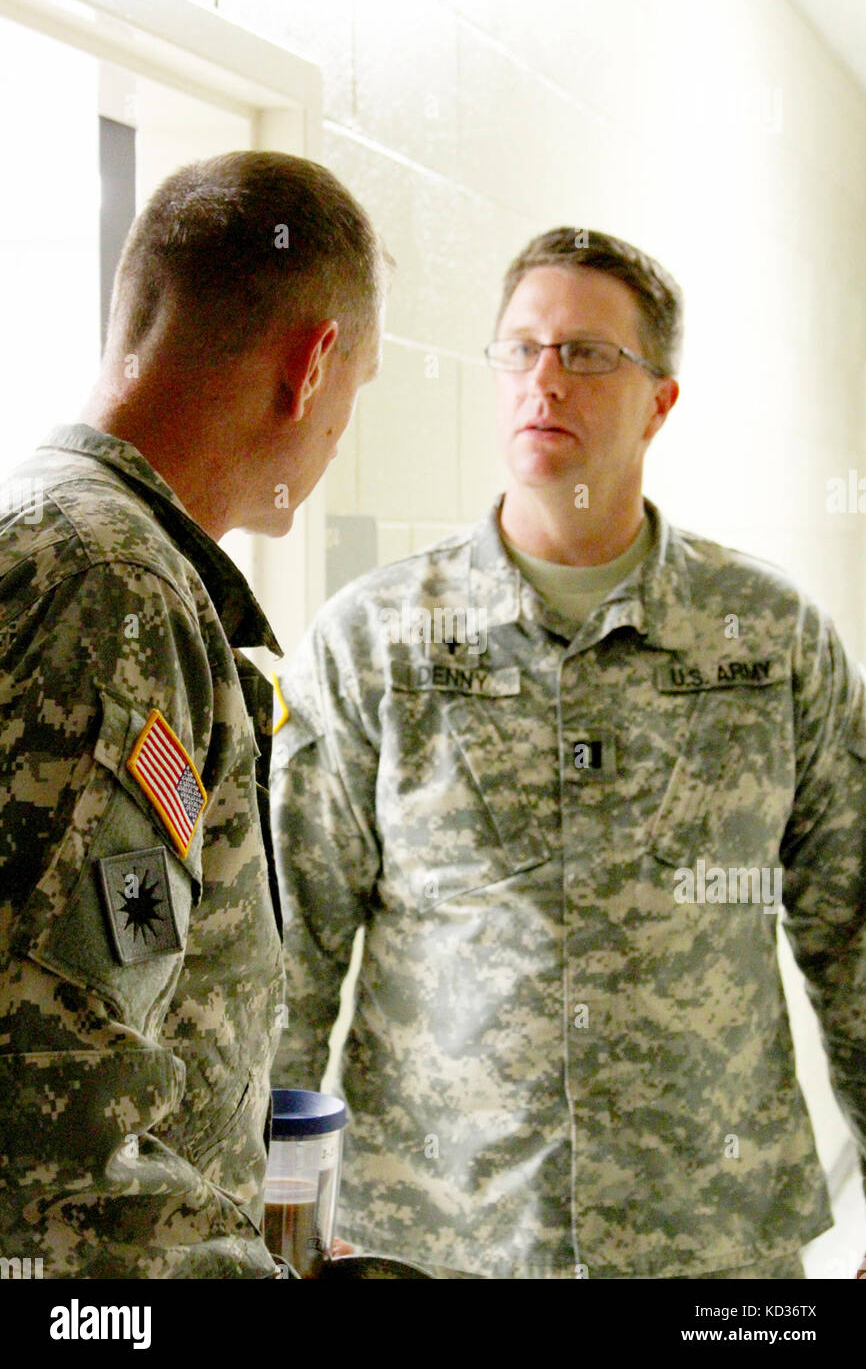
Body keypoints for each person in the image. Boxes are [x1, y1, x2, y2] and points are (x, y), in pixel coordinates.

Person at [270, 227, 866, 1280]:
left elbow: (851, 934)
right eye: (519, 349)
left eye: (587, 354)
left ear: (658, 402)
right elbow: (291, 958)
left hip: (712, 1241)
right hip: (440, 1239)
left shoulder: (768, 639)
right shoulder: (376, 642)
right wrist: (271, 1224)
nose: (543, 379)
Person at [0, 150, 385, 1278]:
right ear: (313, 366)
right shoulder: (114, 592)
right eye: (353, 397)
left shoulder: (64, 541)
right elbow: (55, 1136)